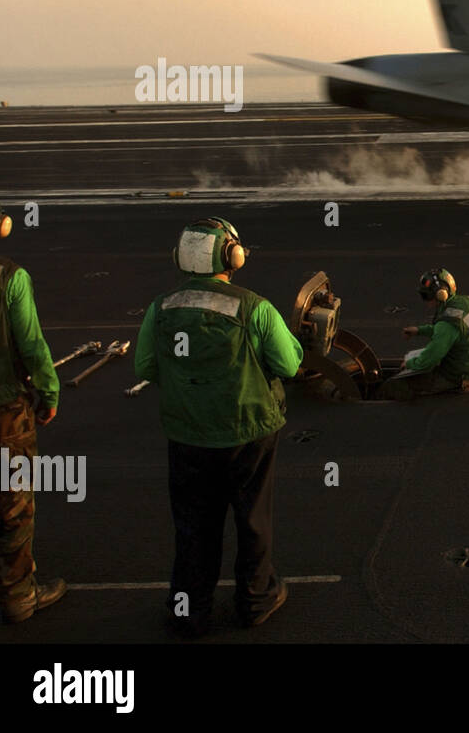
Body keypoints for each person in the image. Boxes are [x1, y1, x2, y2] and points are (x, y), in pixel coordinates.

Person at [133, 217, 303, 636]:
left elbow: (145, 367)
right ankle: (256, 601)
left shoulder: (161, 308)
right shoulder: (254, 307)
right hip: (248, 432)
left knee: (193, 526)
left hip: (188, 435)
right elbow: (289, 364)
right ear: (233, 256)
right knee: (252, 520)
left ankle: (189, 610)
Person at [0, 192, 66, 624]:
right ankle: (18, 596)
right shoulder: (9, 277)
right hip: (1, 410)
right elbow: (32, 345)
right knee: (13, 504)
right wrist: (49, 394)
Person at [378, 268, 469, 400]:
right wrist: (419, 330)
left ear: (441, 294)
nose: (425, 301)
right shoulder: (468, 302)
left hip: (460, 376)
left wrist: (410, 364)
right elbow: (454, 332)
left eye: (426, 296)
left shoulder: (448, 324)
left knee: (394, 384)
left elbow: (431, 357)